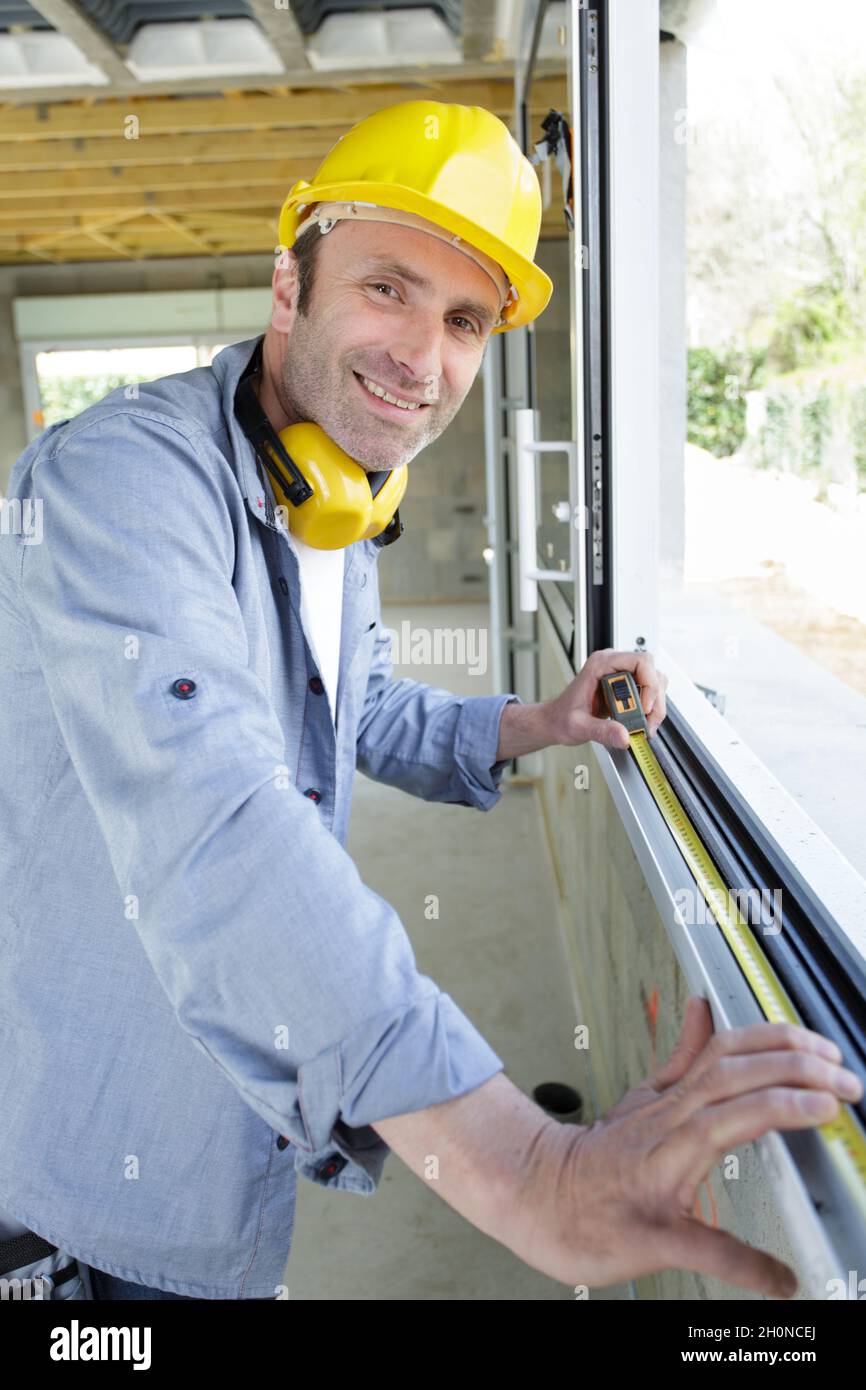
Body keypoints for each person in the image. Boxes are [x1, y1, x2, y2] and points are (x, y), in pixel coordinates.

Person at [0, 98, 858, 1302]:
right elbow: (212, 813)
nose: (422, 357)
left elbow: (358, 708)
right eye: (387, 288)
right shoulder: (121, 481)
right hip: (89, 1174)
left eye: (464, 319)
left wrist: (536, 722)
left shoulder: (334, 504)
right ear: (288, 286)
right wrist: (521, 1165)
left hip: (236, 1122)